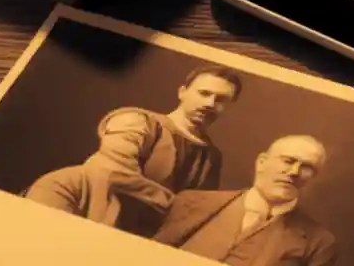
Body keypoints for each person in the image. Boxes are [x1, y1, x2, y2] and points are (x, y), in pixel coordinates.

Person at [23, 64, 243, 237]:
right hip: (80, 200)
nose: (210, 103)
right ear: (182, 92)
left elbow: (198, 211)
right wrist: (174, 207)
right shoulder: (137, 121)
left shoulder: (211, 157)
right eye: (204, 93)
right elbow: (113, 171)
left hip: (135, 230)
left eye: (221, 99)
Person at [153, 135, 337, 266]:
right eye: (288, 161)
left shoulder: (319, 242)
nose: (294, 172)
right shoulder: (191, 202)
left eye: (307, 167)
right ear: (262, 162)